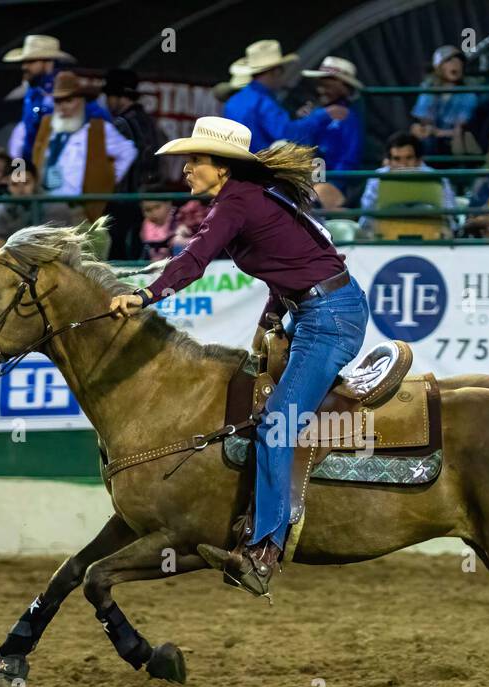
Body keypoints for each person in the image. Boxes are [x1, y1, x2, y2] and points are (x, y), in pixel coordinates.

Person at [107, 116, 370, 594]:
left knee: (275, 425)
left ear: (222, 166)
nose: (186, 169)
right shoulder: (252, 197)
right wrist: (271, 319)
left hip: (328, 317)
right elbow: (292, 261)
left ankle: (264, 550)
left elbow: (194, 260)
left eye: (195, 160)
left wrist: (146, 295)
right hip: (322, 309)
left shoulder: (237, 201)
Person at [31, 71, 137, 224]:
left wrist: (106, 180)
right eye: (58, 101)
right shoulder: (47, 126)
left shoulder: (98, 129)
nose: (63, 107)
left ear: (81, 101)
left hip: (77, 209)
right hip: (43, 206)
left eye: (68, 100)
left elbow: (128, 151)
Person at [223, 40, 345, 152]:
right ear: (276, 71)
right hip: (261, 169)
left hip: (237, 169)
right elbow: (287, 134)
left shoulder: (233, 102)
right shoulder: (264, 102)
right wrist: (321, 115)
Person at [103, 68, 161, 259]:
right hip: (148, 199)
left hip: (123, 201)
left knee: (118, 254)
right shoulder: (150, 122)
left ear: (119, 96)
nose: (107, 101)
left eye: (110, 96)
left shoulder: (120, 124)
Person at [358, 132, 458, 233]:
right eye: (397, 159)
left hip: (429, 238)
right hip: (388, 238)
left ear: (419, 160)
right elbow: (367, 218)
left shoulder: (438, 179)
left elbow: (450, 217)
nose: (403, 165)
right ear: (388, 161)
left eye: (409, 158)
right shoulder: (377, 179)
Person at [3, 35, 77, 160]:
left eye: (31, 62)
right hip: (32, 165)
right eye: (24, 62)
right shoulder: (34, 91)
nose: (24, 67)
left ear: (48, 63)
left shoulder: (66, 93)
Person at [410, 46, 481, 157]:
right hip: (433, 140)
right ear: (438, 67)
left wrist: (437, 132)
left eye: (459, 61)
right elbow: (424, 120)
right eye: (449, 61)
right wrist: (421, 129)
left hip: (455, 140)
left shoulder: (468, 93)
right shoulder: (428, 88)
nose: (455, 64)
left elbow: (462, 128)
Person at [299, 57, 365, 174]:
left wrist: (330, 185)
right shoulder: (316, 113)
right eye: (319, 85)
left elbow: (348, 160)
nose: (321, 90)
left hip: (330, 183)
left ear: (344, 88)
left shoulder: (349, 118)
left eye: (327, 86)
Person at [0, 159, 41, 251]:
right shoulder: (3, 208)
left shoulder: (54, 206)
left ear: (36, 181)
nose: (21, 190)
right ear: (7, 184)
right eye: (15, 184)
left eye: (26, 183)